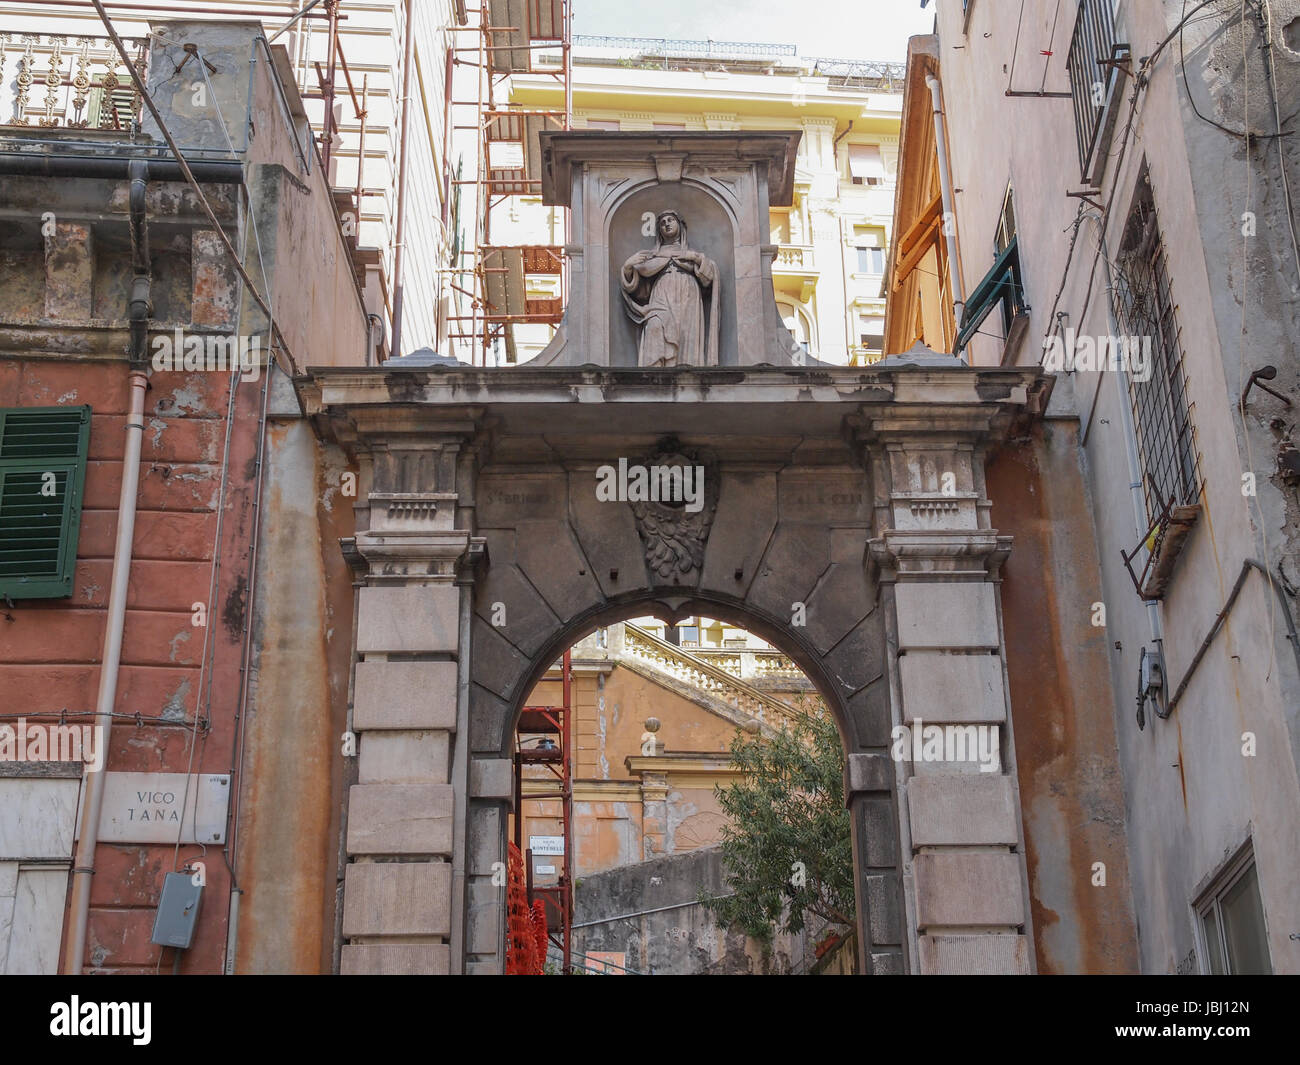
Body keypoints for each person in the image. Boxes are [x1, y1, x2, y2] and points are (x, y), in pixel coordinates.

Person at [620, 210, 719, 366]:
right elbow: (640, 292)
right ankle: (656, 374)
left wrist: (695, 258)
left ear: (680, 224)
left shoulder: (691, 253)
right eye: (662, 222)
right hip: (661, 293)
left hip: (688, 294)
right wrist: (627, 268)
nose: (666, 224)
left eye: (670, 220)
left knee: (686, 334)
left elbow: (709, 279)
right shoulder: (652, 255)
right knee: (654, 324)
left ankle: (687, 375)